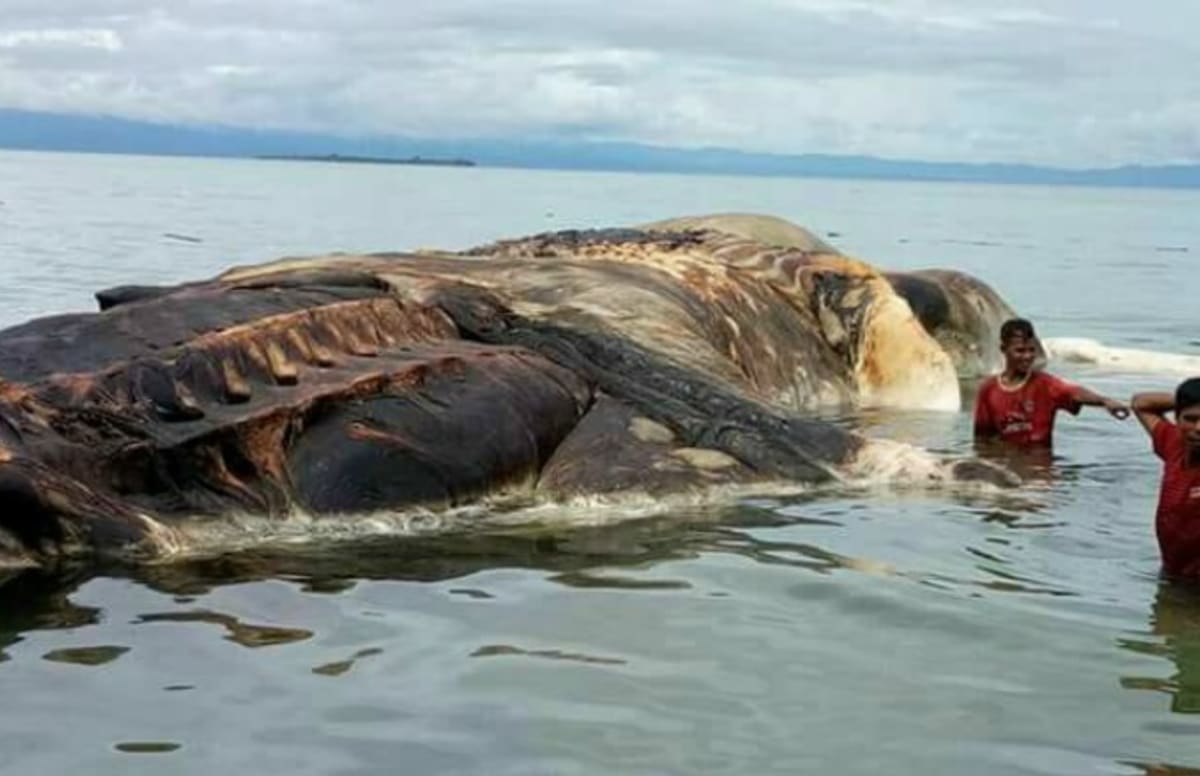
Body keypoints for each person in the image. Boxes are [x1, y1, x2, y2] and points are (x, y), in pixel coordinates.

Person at [973, 318, 1128, 446]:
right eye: (1020, 351)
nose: (1027, 356)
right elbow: (982, 438)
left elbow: (1075, 393)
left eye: (1031, 350)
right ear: (1003, 349)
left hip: (1040, 468)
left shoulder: (1045, 384)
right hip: (1006, 462)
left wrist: (1104, 401)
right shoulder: (989, 389)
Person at [1131, 378, 1200, 579]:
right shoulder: (1175, 445)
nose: (1198, 428)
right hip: (1173, 575)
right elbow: (1141, 404)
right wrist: (1186, 398)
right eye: (1190, 418)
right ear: (1177, 418)